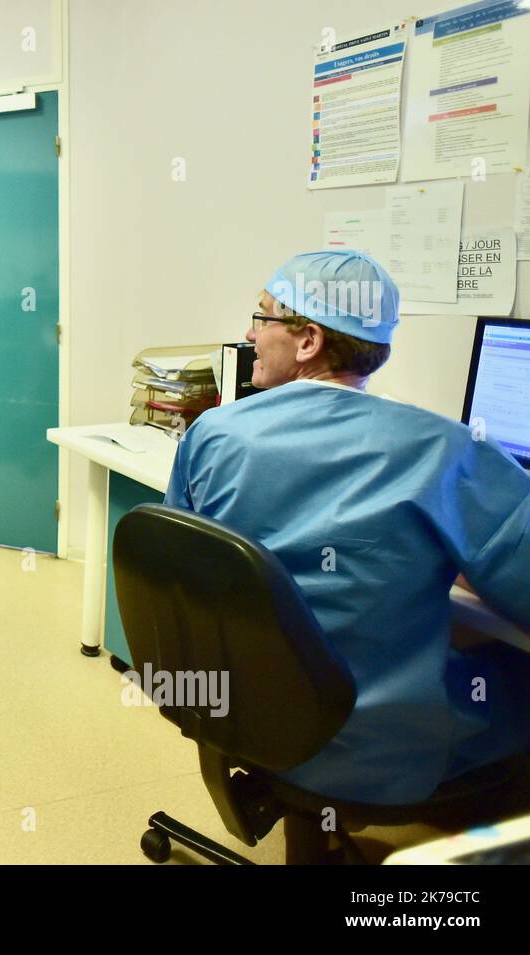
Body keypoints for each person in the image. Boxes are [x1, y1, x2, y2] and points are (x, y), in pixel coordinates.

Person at [165, 250, 530, 805]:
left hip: (233, 707)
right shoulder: (443, 449)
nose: (248, 333)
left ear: (308, 340)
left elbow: (180, 562)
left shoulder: (214, 433)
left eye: (261, 318)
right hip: (369, 750)